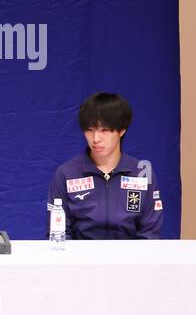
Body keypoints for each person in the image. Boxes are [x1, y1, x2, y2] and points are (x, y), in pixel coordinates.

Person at [47, 92, 163, 239]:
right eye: (90, 130)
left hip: (131, 259)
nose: (96, 139)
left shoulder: (142, 172)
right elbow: (58, 234)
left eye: (105, 130)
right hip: (80, 260)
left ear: (122, 130)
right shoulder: (66, 173)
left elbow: (150, 233)